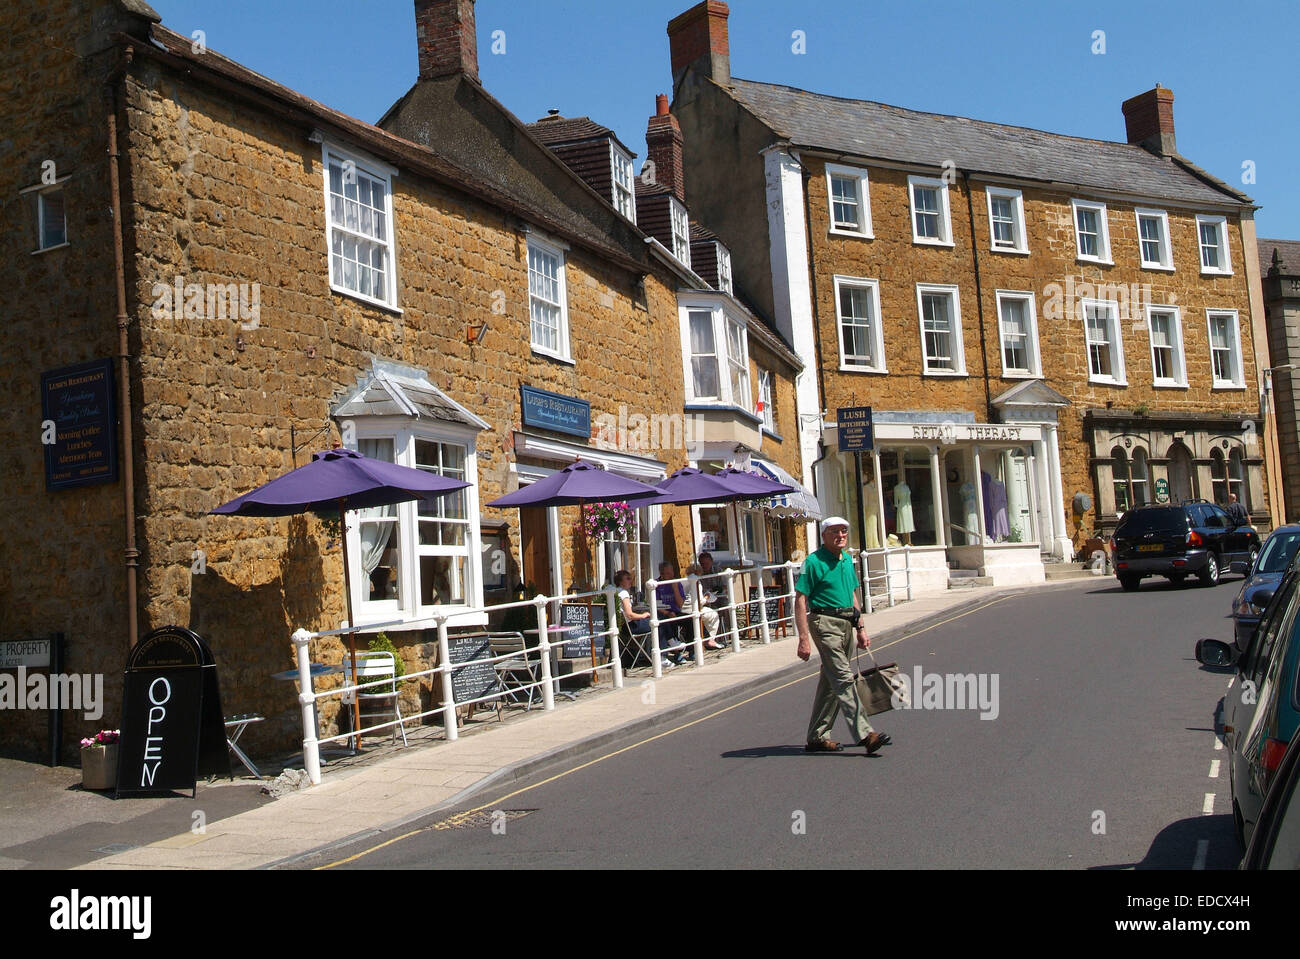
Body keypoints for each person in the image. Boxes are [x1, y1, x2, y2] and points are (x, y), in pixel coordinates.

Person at [795, 516, 892, 755]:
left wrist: (861, 628)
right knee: (843, 678)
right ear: (824, 535)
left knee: (831, 682)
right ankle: (865, 734)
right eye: (835, 531)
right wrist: (803, 638)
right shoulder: (813, 562)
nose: (841, 536)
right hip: (824, 623)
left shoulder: (847, 560)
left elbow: (852, 596)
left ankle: (817, 737)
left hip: (847, 623)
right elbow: (800, 600)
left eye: (844, 531)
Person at [615, 570, 680, 668]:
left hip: (624, 627)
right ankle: (663, 654)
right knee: (658, 622)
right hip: (632, 626)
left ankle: (671, 643)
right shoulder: (624, 593)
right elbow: (629, 615)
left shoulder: (616, 592)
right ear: (620, 581)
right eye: (627, 579)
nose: (630, 581)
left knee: (659, 618)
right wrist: (643, 615)